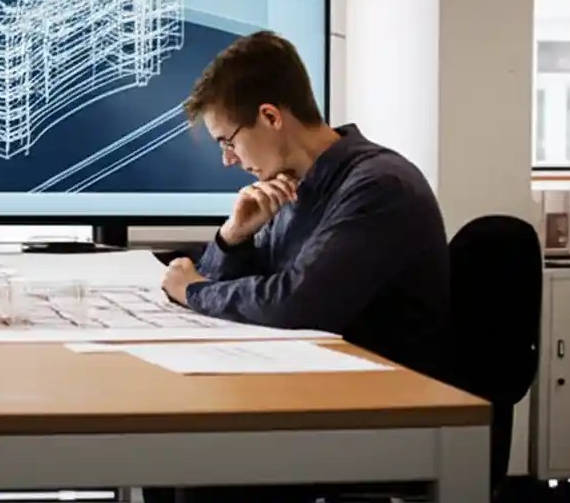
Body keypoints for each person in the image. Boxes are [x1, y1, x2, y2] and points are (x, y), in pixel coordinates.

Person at [162, 31, 450, 381]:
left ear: (270, 117)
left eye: (228, 142)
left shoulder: (379, 187)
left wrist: (193, 291)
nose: (228, 160)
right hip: (308, 378)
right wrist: (233, 237)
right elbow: (249, 291)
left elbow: (296, 303)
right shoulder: (290, 185)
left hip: (381, 402)